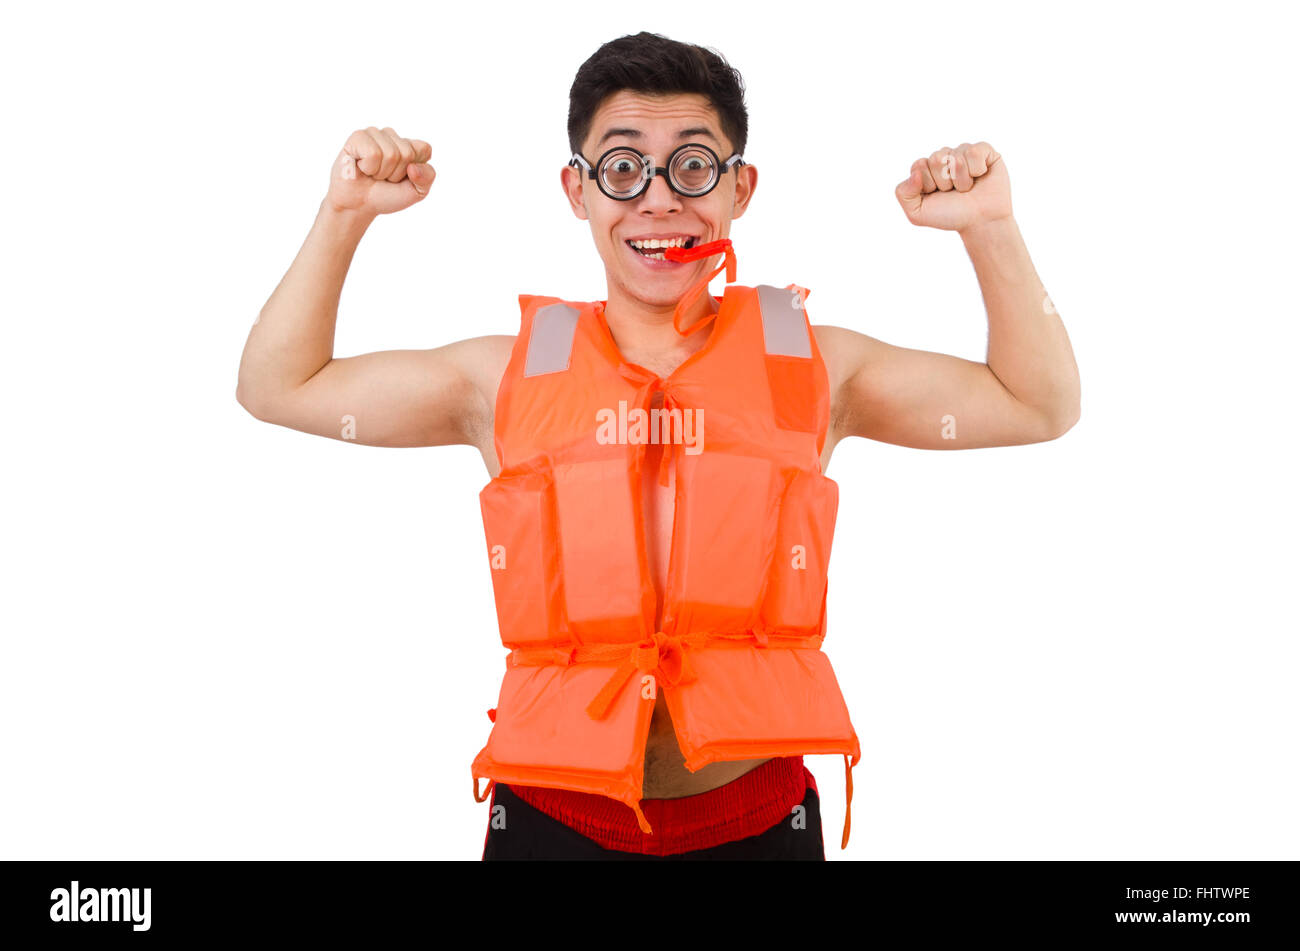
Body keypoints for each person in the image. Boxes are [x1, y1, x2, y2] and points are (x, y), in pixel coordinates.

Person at [236, 31, 1080, 861]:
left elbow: (1037, 403)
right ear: (577, 189)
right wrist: (342, 216)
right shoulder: (497, 378)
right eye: (623, 166)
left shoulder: (821, 365)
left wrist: (990, 229)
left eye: (694, 166)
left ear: (740, 187)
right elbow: (279, 385)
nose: (659, 201)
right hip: (550, 824)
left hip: (759, 824)